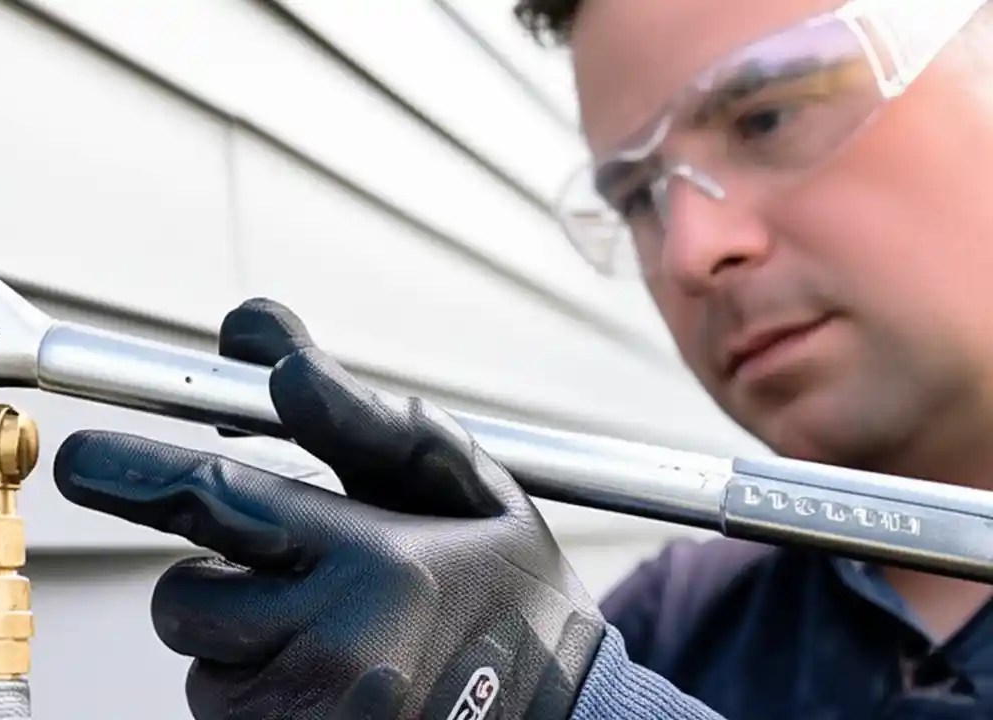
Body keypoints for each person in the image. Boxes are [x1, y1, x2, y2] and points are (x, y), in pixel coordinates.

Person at [50, 0, 993, 716]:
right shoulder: (672, 626)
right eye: (637, 196)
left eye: (767, 117)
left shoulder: (607, 664)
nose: (689, 250)